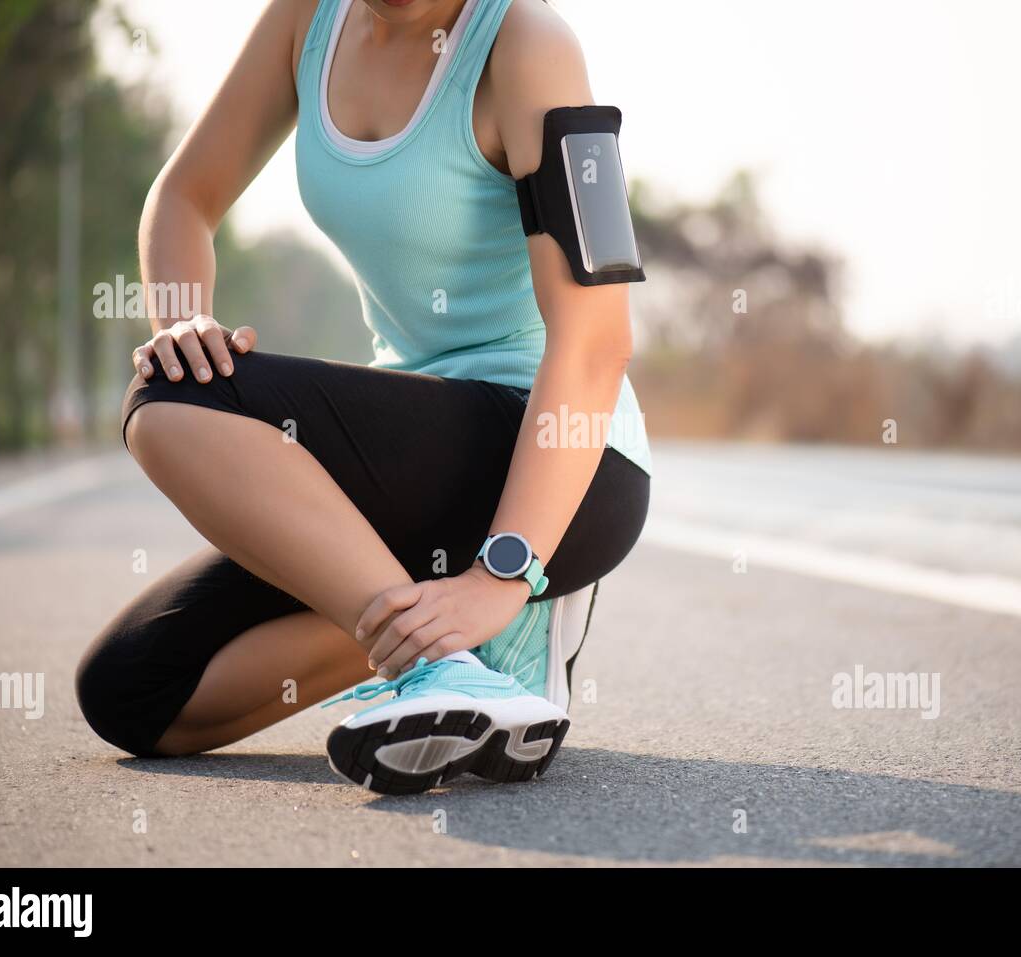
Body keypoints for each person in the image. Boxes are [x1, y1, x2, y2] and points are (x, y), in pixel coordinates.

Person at [75, 0, 651, 795]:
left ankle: (474, 642)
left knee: (169, 400)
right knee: (132, 695)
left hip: (565, 468)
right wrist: (186, 326)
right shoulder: (304, 21)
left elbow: (595, 341)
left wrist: (501, 575)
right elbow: (182, 197)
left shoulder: (527, 43)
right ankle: (453, 659)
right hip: (413, 464)